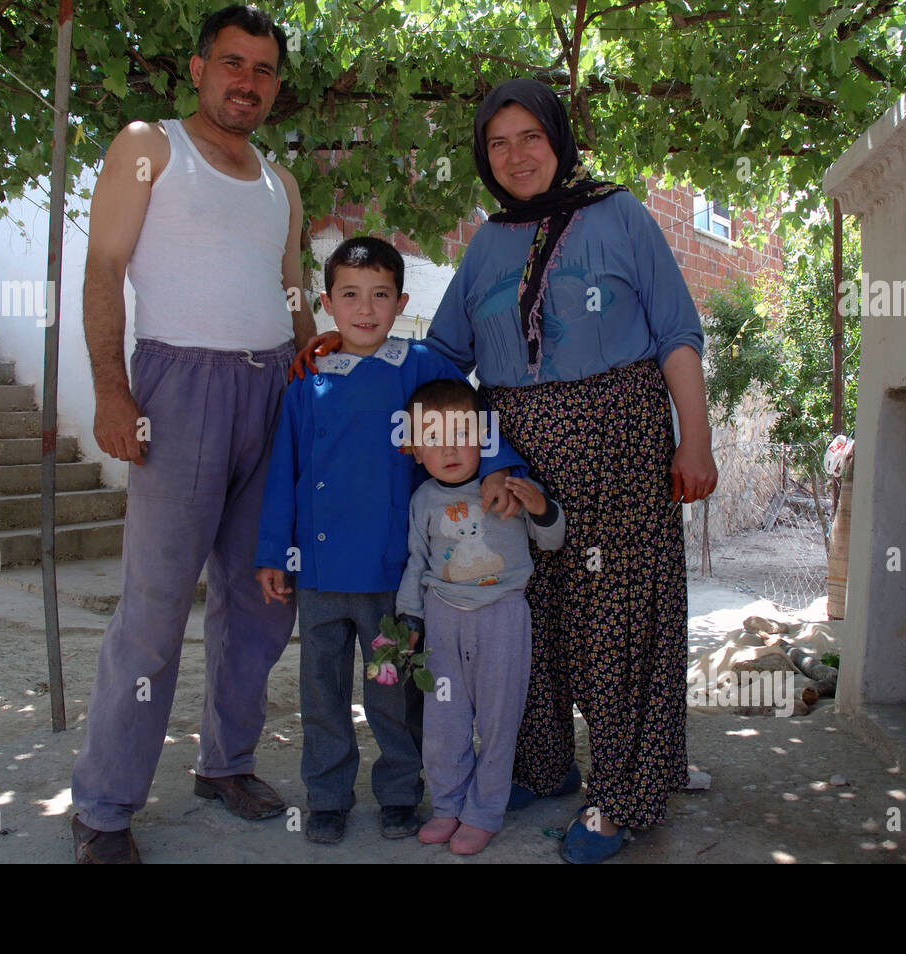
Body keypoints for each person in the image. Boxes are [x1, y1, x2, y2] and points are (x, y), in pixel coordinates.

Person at [294, 78, 718, 863]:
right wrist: (356, 353)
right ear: (484, 156)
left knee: (617, 624)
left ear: (557, 140)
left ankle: (620, 795)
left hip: (620, 448)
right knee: (531, 617)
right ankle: (542, 763)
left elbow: (676, 330)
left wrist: (695, 439)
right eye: (498, 142)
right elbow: (442, 356)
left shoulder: (619, 215)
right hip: (513, 457)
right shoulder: (488, 241)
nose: (516, 155)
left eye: (531, 137)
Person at [70, 5, 316, 864]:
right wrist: (112, 389)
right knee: (154, 611)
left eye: (264, 71)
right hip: (178, 389)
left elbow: (292, 293)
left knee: (258, 602)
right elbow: (103, 268)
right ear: (198, 67)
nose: (248, 82)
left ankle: (227, 764)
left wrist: (311, 373)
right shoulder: (148, 146)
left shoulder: (280, 183)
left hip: (273, 393)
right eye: (233, 63)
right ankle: (103, 808)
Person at [253, 237, 528, 845]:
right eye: (349, 295)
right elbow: (283, 476)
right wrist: (274, 551)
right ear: (327, 304)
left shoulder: (422, 365)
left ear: (402, 301)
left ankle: (401, 792)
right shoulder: (306, 385)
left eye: (380, 295)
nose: (366, 309)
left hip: (394, 571)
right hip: (320, 570)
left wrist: (503, 467)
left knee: (395, 696)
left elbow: (470, 420)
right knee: (322, 694)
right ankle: (326, 796)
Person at [395, 378, 565, 855]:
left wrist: (544, 507)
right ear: (414, 448)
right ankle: (447, 806)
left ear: (485, 439)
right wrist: (408, 619)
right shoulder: (423, 500)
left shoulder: (511, 487)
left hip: (503, 617)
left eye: (460, 435)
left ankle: (485, 811)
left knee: (497, 720)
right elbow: (417, 562)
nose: (448, 449)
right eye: (433, 437)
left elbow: (552, 540)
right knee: (443, 720)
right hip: (443, 619)